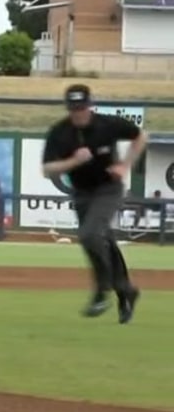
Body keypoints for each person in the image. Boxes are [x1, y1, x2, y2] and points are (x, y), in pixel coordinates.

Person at [41, 83, 147, 323]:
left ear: (90, 105)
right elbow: (48, 169)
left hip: (108, 188)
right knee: (105, 240)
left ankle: (102, 290)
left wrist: (125, 164)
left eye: (82, 107)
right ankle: (126, 291)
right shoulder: (60, 132)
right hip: (82, 192)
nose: (78, 113)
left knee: (89, 235)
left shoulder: (106, 125)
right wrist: (72, 162)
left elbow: (140, 136)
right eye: (74, 108)